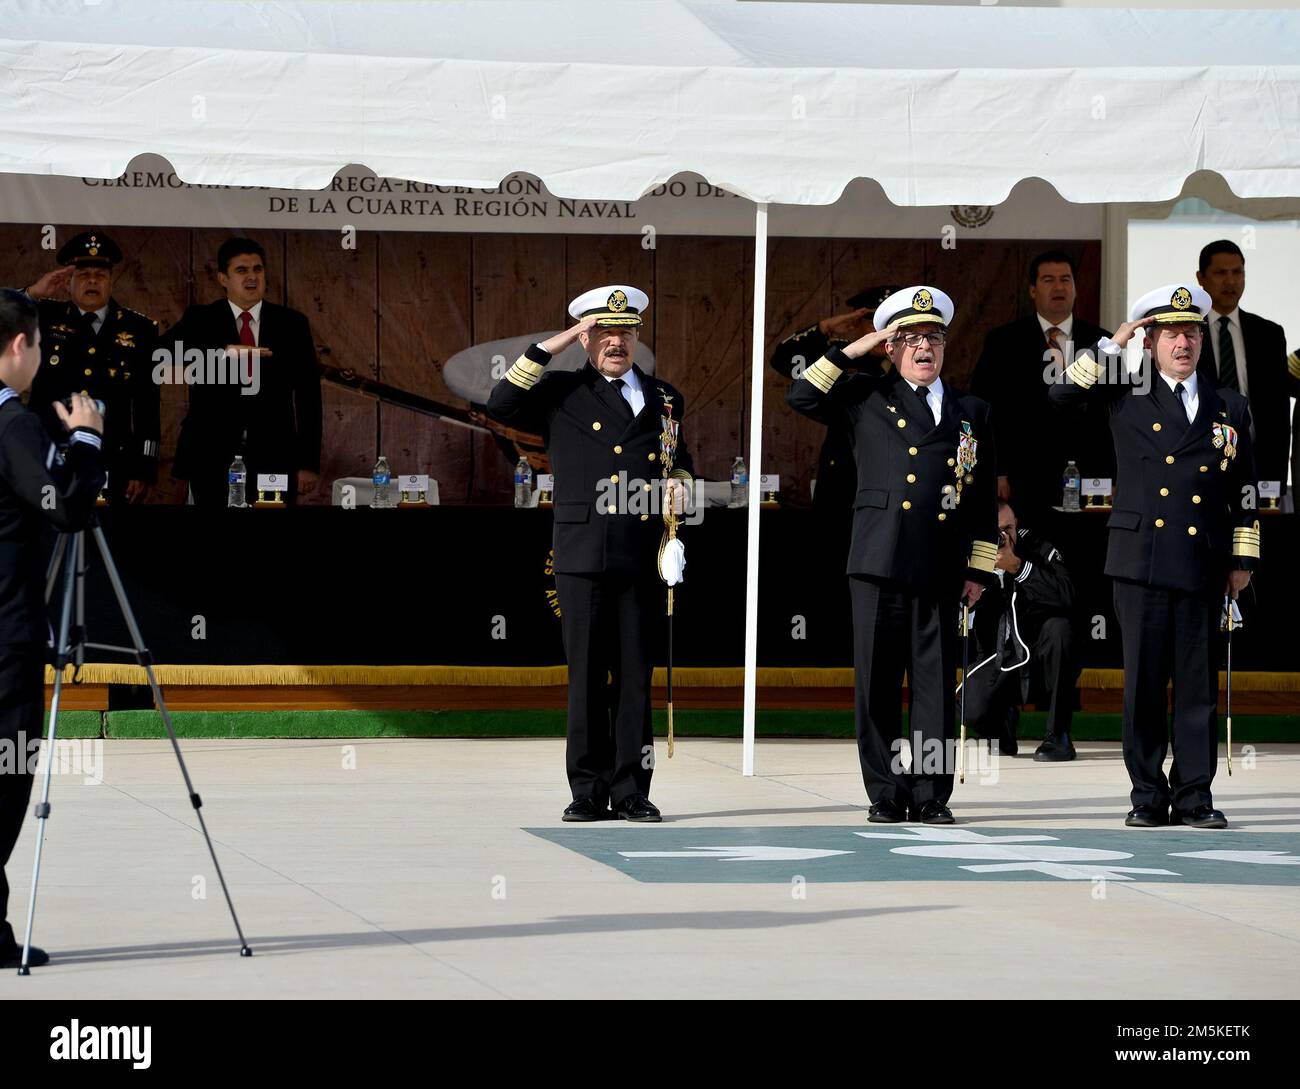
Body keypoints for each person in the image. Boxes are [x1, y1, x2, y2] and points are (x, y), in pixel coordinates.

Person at [1049, 283, 1258, 829]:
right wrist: (1114, 344)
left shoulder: (1228, 404)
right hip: (1140, 559)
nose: (1182, 343)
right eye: (1170, 333)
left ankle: (1194, 796)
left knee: (1196, 686)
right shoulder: (1125, 394)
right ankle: (1147, 795)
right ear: (1151, 342)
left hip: (1202, 560)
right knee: (1143, 683)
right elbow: (1062, 394)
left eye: (1190, 333)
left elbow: (1245, 491)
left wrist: (1242, 561)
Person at [788, 286, 999, 825]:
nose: (923, 347)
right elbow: (802, 396)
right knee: (877, 684)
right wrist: (858, 347)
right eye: (909, 338)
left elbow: (979, 501)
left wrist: (978, 567)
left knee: (934, 688)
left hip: (941, 566)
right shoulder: (864, 398)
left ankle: (930, 794)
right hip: (878, 562)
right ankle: (884, 790)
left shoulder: (971, 410)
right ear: (891, 346)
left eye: (933, 337)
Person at [486, 285, 693, 823]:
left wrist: (683, 485)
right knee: (585, 675)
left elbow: (679, 459)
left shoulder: (664, 397)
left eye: (624, 332)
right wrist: (554, 345)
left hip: (642, 551)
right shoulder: (560, 391)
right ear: (585, 338)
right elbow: (501, 402)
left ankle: (630, 789)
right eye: (602, 331)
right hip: (582, 551)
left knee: (633, 676)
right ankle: (586, 788)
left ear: (638, 337)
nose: (615, 341)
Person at [0, 289, 106, 969]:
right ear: (18, 346)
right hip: (6, 635)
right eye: (38, 346)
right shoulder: (13, 425)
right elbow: (66, 508)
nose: (39, 359)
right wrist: (88, 437)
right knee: (7, 779)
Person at [168, 237, 322, 506]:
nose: (252, 277)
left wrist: (308, 463)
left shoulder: (292, 324)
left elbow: (309, 397)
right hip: (210, 456)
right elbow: (159, 356)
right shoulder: (200, 320)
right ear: (223, 278)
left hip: (274, 455)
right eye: (242, 270)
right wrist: (222, 352)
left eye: (258, 269)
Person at [971, 250, 1111, 523]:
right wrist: (997, 470)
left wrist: (1113, 476)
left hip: (1091, 474)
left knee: (1090, 548)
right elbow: (985, 409)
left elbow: (1113, 413)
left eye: (1065, 279)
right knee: (1033, 551)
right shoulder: (1004, 342)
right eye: (1048, 280)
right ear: (1033, 290)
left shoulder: (1102, 341)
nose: (1059, 287)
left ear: (1075, 288)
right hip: (1025, 473)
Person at [22, 231, 161, 505]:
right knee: (46, 539)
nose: (93, 281)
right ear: (67, 282)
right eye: (84, 274)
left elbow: (147, 402)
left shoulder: (140, 330)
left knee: (108, 540)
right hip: (49, 453)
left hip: (113, 457)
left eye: (101, 275)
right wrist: (31, 293)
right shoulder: (42, 317)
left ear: (111, 281)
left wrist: (143, 467)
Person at [961, 498, 1078, 761]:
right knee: (968, 709)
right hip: (997, 660)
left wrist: (1017, 566)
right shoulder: (969, 557)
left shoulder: (1037, 549)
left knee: (1060, 629)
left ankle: (1058, 735)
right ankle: (1001, 726)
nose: (1003, 537)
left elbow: (1067, 595)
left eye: (1008, 528)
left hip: (1037, 657)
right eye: (995, 531)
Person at [769, 285, 898, 510]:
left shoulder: (912, 364)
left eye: (888, 324)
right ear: (858, 324)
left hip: (891, 473)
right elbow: (782, 359)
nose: (880, 331)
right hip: (844, 470)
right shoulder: (841, 356)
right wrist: (824, 328)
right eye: (872, 321)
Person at [1195, 240, 1290, 497]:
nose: (1230, 281)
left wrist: (1277, 478)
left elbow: (1279, 414)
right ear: (1201, 278)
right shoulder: (1186, 332)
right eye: (1220, 273)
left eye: (1237, 272)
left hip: (1258, 465)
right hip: (1200, 464)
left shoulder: (1269, 334)